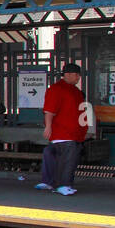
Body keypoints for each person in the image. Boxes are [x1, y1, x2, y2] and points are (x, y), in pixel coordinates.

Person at [36, 63, 88, 196]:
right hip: (63, 132)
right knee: (67, 160)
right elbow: (50, 110)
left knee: (64, 159)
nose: (78, 78)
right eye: (77, 75)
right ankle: (62, 184)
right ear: (68, 74)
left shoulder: (75, 91)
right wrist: (48, 126)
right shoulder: (57, 89)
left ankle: (60, 183)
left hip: (74, 133)